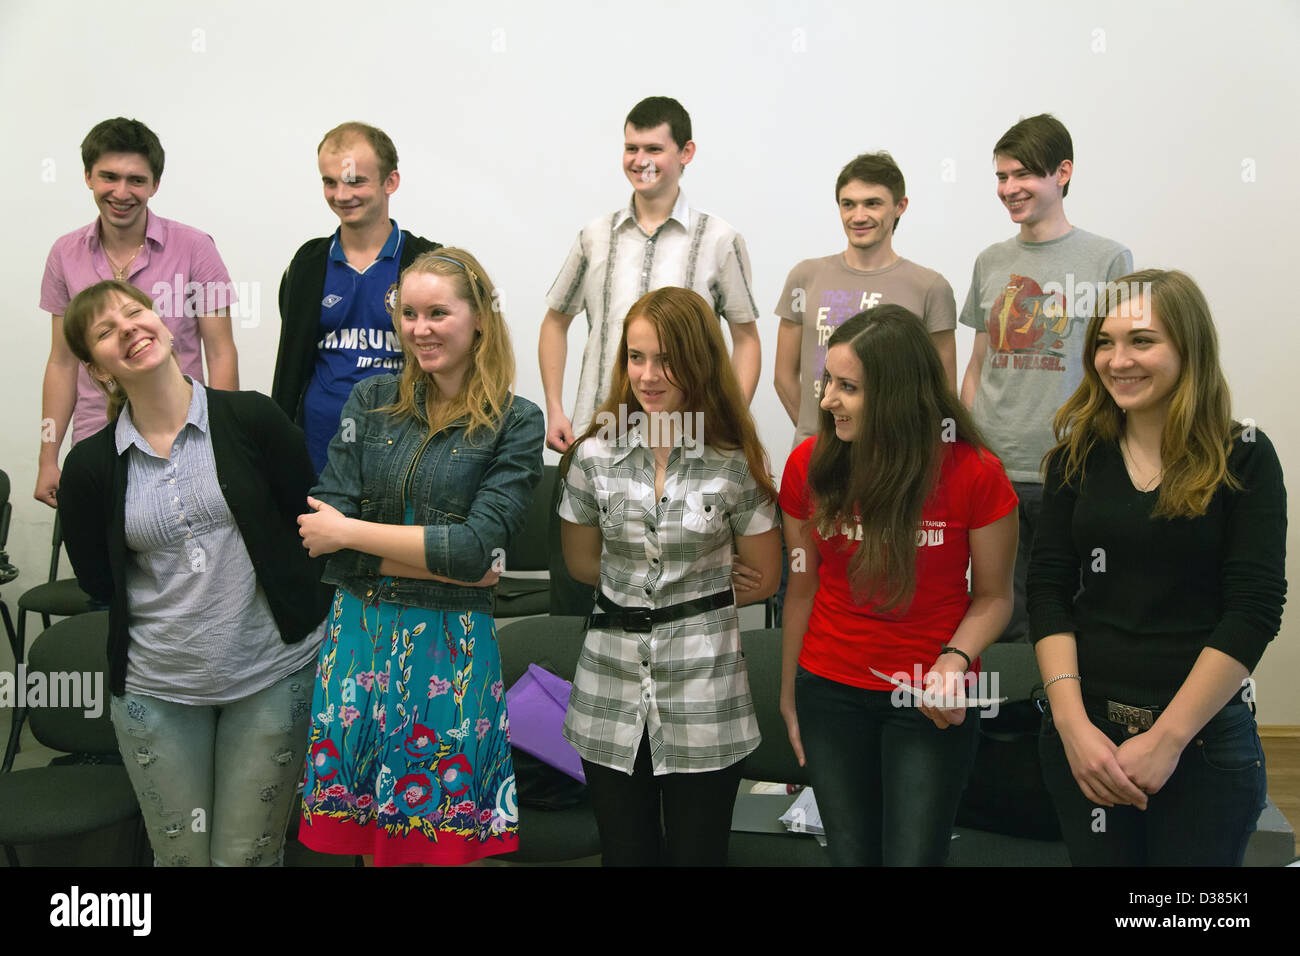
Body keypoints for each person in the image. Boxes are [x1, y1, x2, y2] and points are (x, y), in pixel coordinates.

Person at [57, 280, 330, 866]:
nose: (128, 328)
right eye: (106, 331)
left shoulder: (252, 417)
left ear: (162, 322)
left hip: (270, 675)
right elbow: (98, 582)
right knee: (179, 859)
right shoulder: (89, 466)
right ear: (96, 369)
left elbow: (307, 527)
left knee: (245, 858)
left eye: (134, 313)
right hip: (158, 691)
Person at [1028, 269, 1286, 866]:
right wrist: (1072, 727)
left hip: (1201, 747)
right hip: (1086, 739)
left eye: (1142, 340)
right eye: (1105, 342)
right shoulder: (1077, 456)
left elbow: (1253, 608)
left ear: (1188, 348)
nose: (1118, 360)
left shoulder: (1243, 452)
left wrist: (1167, 740)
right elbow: (1047, 590)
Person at [296, 248, 543, 866]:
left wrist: (353, 534)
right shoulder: (369, 401)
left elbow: (472, 550)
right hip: (358, 639)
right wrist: (451, 563)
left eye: (438, 312)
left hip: (447, 651)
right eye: (408, 313)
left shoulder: (516, 422)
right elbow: (320, 534)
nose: (420, 328)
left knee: (435, 842)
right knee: (364, 839)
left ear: (480, 317)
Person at [779, 306, 1018, 866]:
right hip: (830, 689)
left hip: (927, 694)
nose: (828, 400)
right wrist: (791, 694)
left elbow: (994, 597)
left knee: (914, 857)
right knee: (851, 854)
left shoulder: (974, 472)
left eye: (849, 388)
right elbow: (799, 589)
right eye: (828, 383)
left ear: (898, 394)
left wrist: (955, 661)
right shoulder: (808, 467)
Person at [558, 286, 781, 866]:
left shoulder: (733, 460)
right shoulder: (592, 457)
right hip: (609, 687)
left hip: (705, 691)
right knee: (625, 854)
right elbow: (582, 565)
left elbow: (766, 575)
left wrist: (691, 591)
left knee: (697, 855)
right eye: (636, 358)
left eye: (666, 359)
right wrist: (688, 578)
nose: (648, 375)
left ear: (701, 361)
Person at [540, 96, 763, 617]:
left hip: (687, 448)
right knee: (580, 596)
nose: (641, 159)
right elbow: (555, 319)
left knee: (685, 597)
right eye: (631, 147)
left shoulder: (719, 239)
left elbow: (747, 337)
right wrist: (555, 406)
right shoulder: (594, 236)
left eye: (655, 148)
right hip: (602, 439)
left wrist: (726, 415)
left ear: (685, 152)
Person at [958, 113, 1133, 642]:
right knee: (999, 612)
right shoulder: (990, 261)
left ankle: (1066, 721)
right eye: (1001, 177)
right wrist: (969, 446)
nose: (1008, 189)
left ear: (1062, 172)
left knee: (1072, 608)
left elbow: (1123, 367)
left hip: (1073, 463)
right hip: (995, 469)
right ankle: (1005, 721)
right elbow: (977, 364)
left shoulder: (1108, 258)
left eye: (1022, 176)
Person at [37, 117, 240, 507]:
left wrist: (225, 441)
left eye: (136, 180)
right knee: (107, 556)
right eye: (109, 177)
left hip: (183, 433)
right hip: (98, 437)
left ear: (155, 184)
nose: (121, 192)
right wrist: (49, 456)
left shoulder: (196, 247)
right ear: (88, 177)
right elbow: (63, 363)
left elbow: (220, 350)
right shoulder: (64, 254)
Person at [272, 121, 442, 476]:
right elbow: (291, 362)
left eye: (355, 181)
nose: (341, 195)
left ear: (390, 181)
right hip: (318, 453)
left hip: (407, 451)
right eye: (329, 182)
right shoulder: (307, 264)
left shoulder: (428, 262)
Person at [775, 150, 958, 448]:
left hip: (894, 459)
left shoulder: (930, 287)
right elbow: (783, 376)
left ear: (900, 206)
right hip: (816, 455)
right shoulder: (805, 277)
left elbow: (944, 391)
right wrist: (824, 435)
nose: (858, 216)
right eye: (848, 204)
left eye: (872, 203)